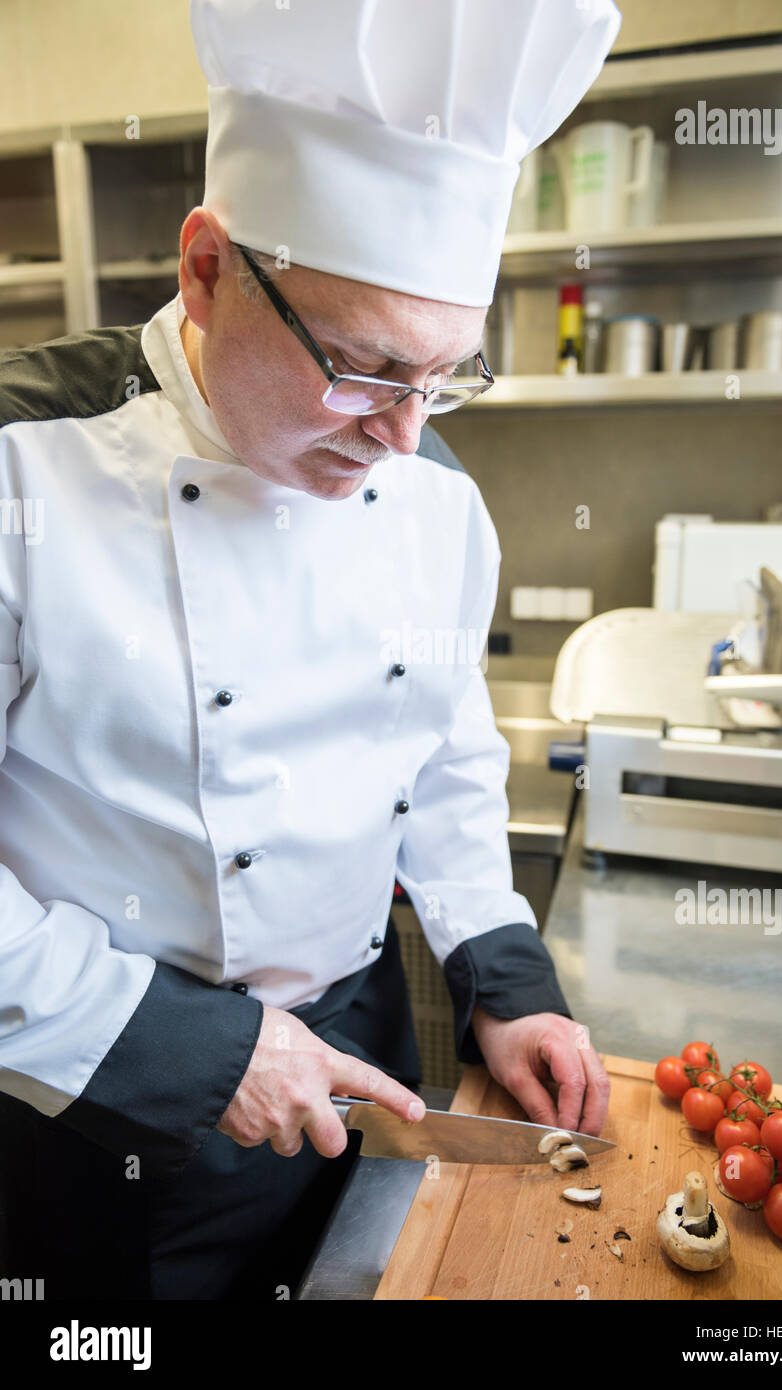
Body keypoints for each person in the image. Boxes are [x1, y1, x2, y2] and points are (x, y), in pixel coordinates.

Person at [0, 0, 621, 1299]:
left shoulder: (435, 494)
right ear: (207, 268)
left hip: (360, 1065)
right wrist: (187, 1048)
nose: (403, 437)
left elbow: (443, 761)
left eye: (445, 378)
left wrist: (507, 980)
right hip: (89, 1102)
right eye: (362, 367)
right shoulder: (23, 470)